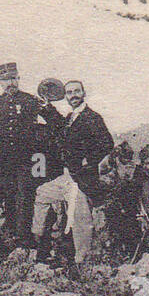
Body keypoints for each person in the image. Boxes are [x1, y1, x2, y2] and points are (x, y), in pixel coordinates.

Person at [32, 79, 113, 264]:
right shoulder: (71, 117)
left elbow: (107, 143)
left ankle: (82, 261)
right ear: (66, 96)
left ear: (84, 93)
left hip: (82, 179)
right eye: (69, 93)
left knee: (80, 219)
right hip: (67, 176)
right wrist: (46, 108)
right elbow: (60, 127)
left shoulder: (92, 117)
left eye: (77, 91)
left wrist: (88, 162)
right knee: (42, 193)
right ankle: (38, 239)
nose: (73, 95)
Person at [0, 62, 60, 250]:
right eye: (5, 79)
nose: (10, 83)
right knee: (9, 198)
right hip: (4, 160)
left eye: (13, 78)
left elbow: (55, 123)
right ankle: (12, 236)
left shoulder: (31, 100)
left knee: (25, 197)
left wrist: (48, 108)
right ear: (0, 82)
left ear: (18, 79)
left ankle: (25, 240)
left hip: (28, 160)